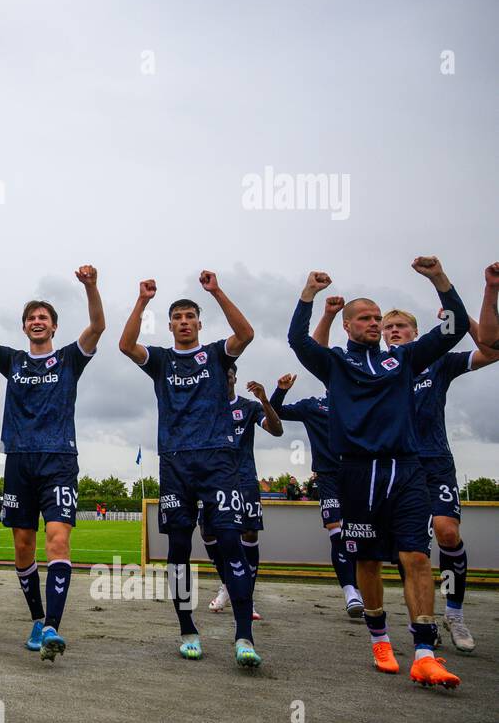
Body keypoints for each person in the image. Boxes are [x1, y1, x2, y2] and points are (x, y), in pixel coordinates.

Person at [287, 260, 468, 687]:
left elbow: (454, 327)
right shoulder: (334, 365)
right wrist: (309, 295)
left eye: (378, 317)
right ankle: (380, 639)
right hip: (356, 472)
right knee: (367, 560)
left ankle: (424, 651)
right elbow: (297, 339)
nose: (374, 323)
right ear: (348, 326)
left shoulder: (403, 361)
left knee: (416, 557)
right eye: (366, 318)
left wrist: (438, 279)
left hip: (406, 468)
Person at [0, 267, 105, 662]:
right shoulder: (14, 360)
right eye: (31, 318)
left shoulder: (70, 359)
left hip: (59, 459)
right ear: (24, 327)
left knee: (57, 540)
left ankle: (54, 628)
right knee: (22, 545)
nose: (37, 321)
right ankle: (39, 619)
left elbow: (97, 325)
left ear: (54, 327)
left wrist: (91, 287)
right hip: (19, 462)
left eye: (43, 317)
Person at [119, 271, 260, 667]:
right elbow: (126, 344)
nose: (183, 321)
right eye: (177, 317)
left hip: (218, 461)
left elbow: (246, 333)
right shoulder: (162, 360)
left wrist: (215, 292)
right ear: (169, 325)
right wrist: (142, 300)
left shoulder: (216, 354)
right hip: (176, 463)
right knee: (178, 549)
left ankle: (244, 637)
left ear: (199, 323)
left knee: (231, 545)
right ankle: (187, 629)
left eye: (189, 316)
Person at [369, 302, 495, 652]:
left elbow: (491, 351)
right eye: (388, 327)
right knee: (410, 549)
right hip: (395, 465)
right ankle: (419, 622)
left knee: (447, 531)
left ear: (416, 332)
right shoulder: (377, 368)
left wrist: (462, 320)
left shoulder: (437, 362)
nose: (393, 331)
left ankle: (453, 612)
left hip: (434, 461)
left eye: (401, 326)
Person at [270, 367, 364, 617]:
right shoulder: (314, 406)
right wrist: (280, 391)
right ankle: (350, 592)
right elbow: (276, 412)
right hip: (328, 476)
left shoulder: (362, 402)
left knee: (358, 536)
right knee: (336, 532)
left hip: (359, 475)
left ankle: (362, 588)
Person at [203, 365, 282, 621]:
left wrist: (265, 400)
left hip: (244, 478)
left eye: (228, 375)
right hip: (213, 480)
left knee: (248, 532)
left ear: (234, 377)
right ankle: (228, 584)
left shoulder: (249, 407)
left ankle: (246, 596)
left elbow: (277, 429)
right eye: (220, 375)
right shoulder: (205, 407)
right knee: (209, 533)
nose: (225, 380)